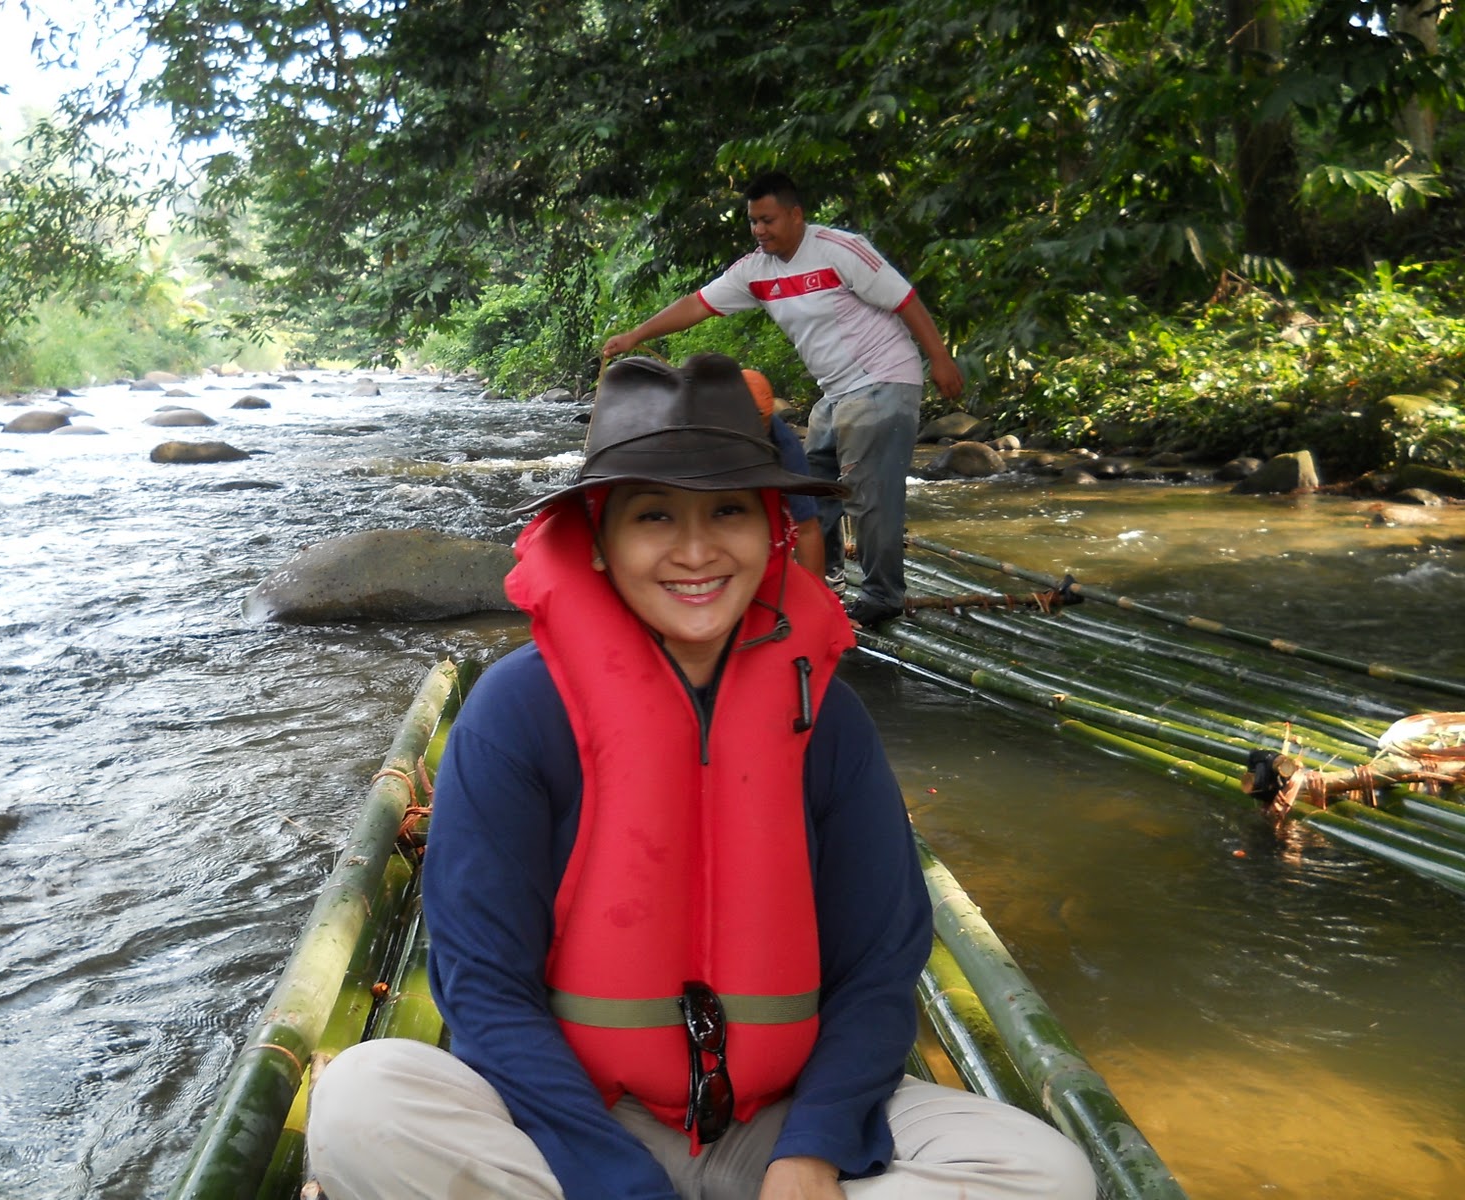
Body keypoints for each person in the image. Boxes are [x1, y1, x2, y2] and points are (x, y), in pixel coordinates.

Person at [304, 353, 1095, 1200]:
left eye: (729, 511)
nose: (695, 551)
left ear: (775, 532)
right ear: (599, 542)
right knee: (361, 1101)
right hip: (572, 1121)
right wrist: (616, 1181)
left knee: (1045, 1172)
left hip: (781, 1123)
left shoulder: (824, 714)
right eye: (653, 516)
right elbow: (484, 987)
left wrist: (813, 1149)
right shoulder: (516, 711)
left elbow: (879, 963)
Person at [601, 172, 965, 629]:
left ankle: (882, 596)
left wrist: (941, 360)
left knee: (870, 496)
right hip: (836, 392)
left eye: (768, 220)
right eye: (753, 222)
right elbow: (696, 304)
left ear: (796, 215)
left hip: (883, 379)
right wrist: (635, 335)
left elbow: (905, 299)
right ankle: (823, 586)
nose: (760, 230)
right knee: (810, 486)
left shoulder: (838, 249)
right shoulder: (757, 270)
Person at [741, 367, 825, 579]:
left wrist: (817, 601)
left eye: (764, 428)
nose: (758, 436)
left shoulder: (785, 444)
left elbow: (807, 528)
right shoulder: (695, 426)